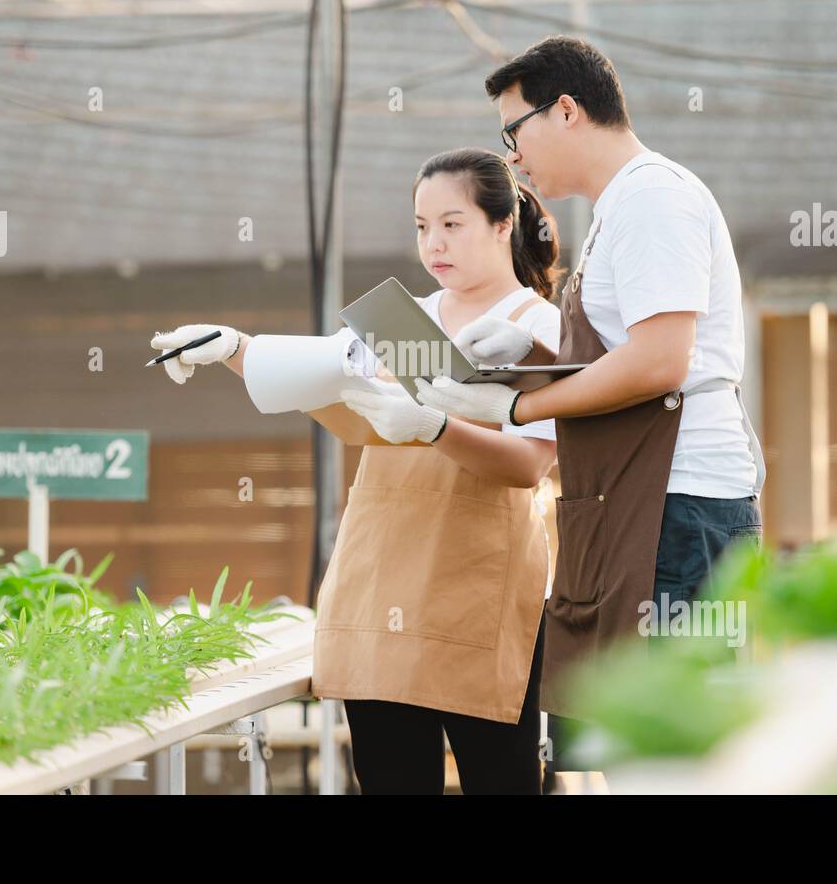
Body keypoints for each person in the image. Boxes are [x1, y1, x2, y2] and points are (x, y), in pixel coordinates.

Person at [150, 148, 563, 794]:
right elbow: (313, 370)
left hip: (480, 594)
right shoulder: (404, 321)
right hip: (383, 586)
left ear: (504, 224)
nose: (435, 244)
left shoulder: (533, 327)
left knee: (502, 782)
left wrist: (436, 428)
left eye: (452, 224)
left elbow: (533, 464)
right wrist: (233, 348)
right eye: (422, 227)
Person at [413, 37, 766, 767]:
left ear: (566, 111)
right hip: (647, 505)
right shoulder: (621, 208)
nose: (513, 159)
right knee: (636, 753)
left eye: (515, 134)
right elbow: (624, 356)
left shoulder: (652, 198)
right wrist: (527, 363)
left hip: (676, 507)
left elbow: (661, 362)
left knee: (671, 759)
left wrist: (517, 410)